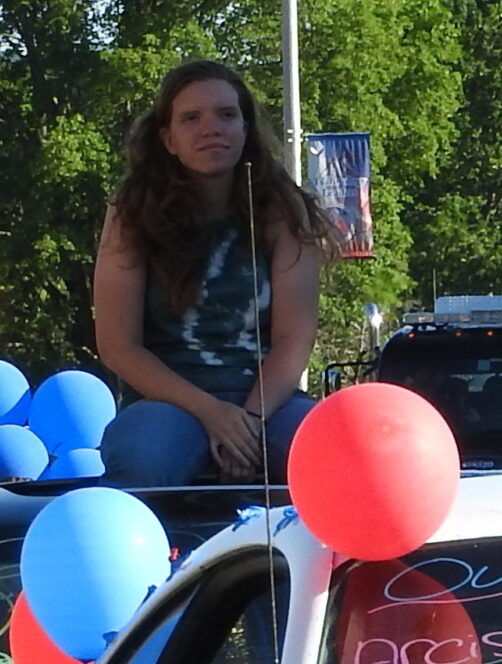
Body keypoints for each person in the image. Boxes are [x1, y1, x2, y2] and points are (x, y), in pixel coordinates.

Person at [94, 59, 337, 485]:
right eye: (192, 118)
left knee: (331, 453)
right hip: (166, 403)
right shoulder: (130, 212)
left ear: (246, 129)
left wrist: (247, 421)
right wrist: (212, 414)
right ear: (168, 139)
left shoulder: (285, 210)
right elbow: (118, 346)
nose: (212, 127)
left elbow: (294, 338)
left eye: (227, 115)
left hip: (268, 400)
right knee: (148, 457)